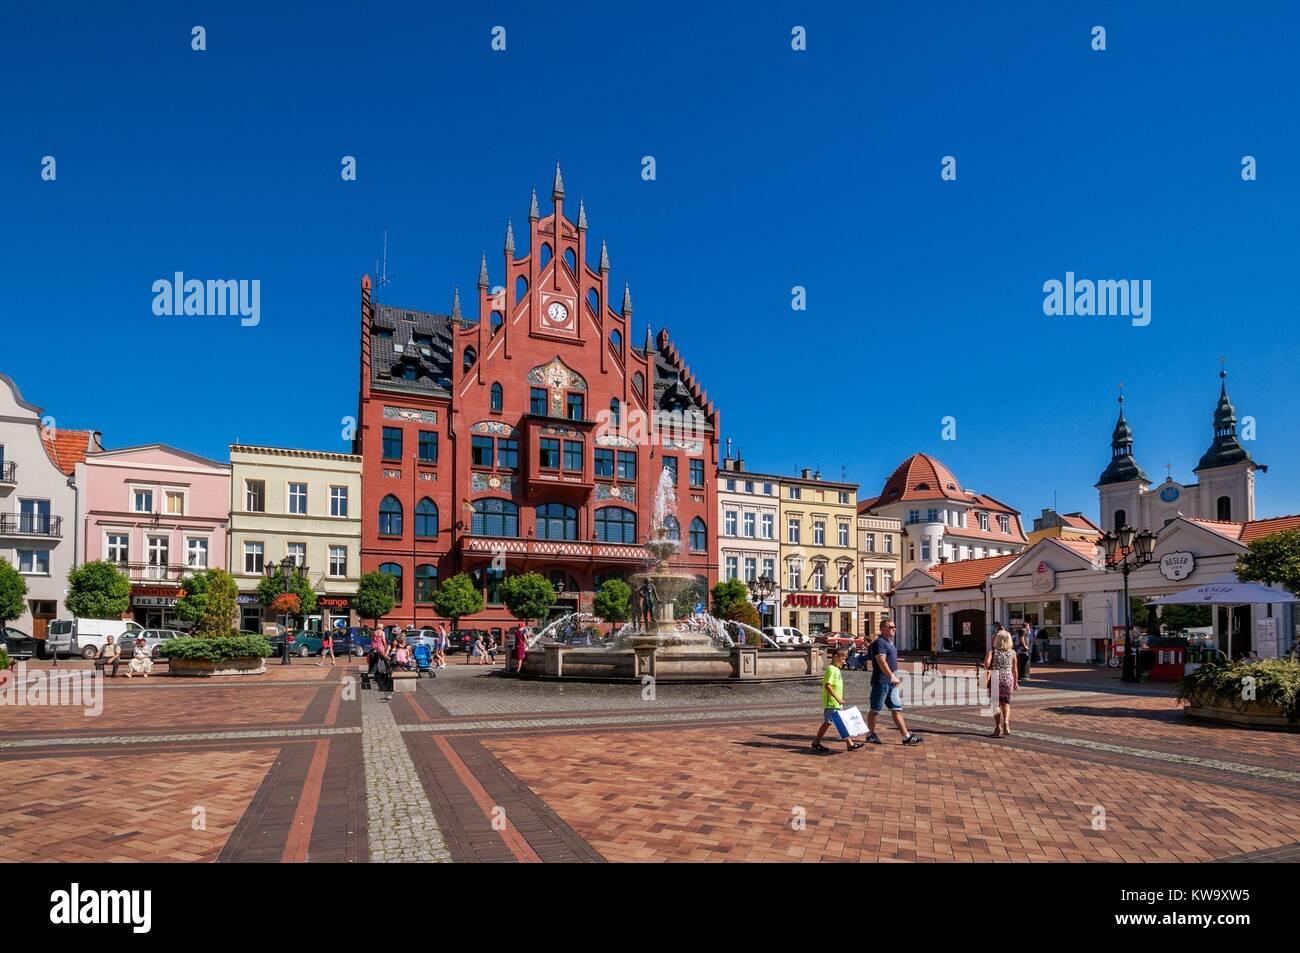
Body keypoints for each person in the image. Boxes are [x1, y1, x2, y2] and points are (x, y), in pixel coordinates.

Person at [865, 619, 921, 746]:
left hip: (891, 682)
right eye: (891, 627)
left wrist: (895, 677)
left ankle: (906, 736)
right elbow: (881, 660)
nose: (894, 629)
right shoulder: (880, 643)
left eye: (894, 627)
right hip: (881, 682)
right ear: (883, 629)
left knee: (897, 709)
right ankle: (870, 734)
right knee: (875, 709)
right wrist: (891, 676)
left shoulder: (890, 643)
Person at [812, 648, 863, 753]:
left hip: (835, 702)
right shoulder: (831, 669)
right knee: (829, 723)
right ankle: (816, 742)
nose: (844, 661)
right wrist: (838, 698)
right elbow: (827, 685)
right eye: (843, 659)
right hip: (832, 702)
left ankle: (849, 744)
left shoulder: (836, 669)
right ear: (836, 657)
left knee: (837, 723)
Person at [983, 626, 1019, 737]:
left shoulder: (992, 651)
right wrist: (1016, 682)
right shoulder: (1012, 653)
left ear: (997, 640)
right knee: (1006, 703)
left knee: (996, 705)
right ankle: (1006, 723)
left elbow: (986, 665)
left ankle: (998, 726)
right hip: (1008, 679)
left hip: (995, 678)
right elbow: (1015, 669)